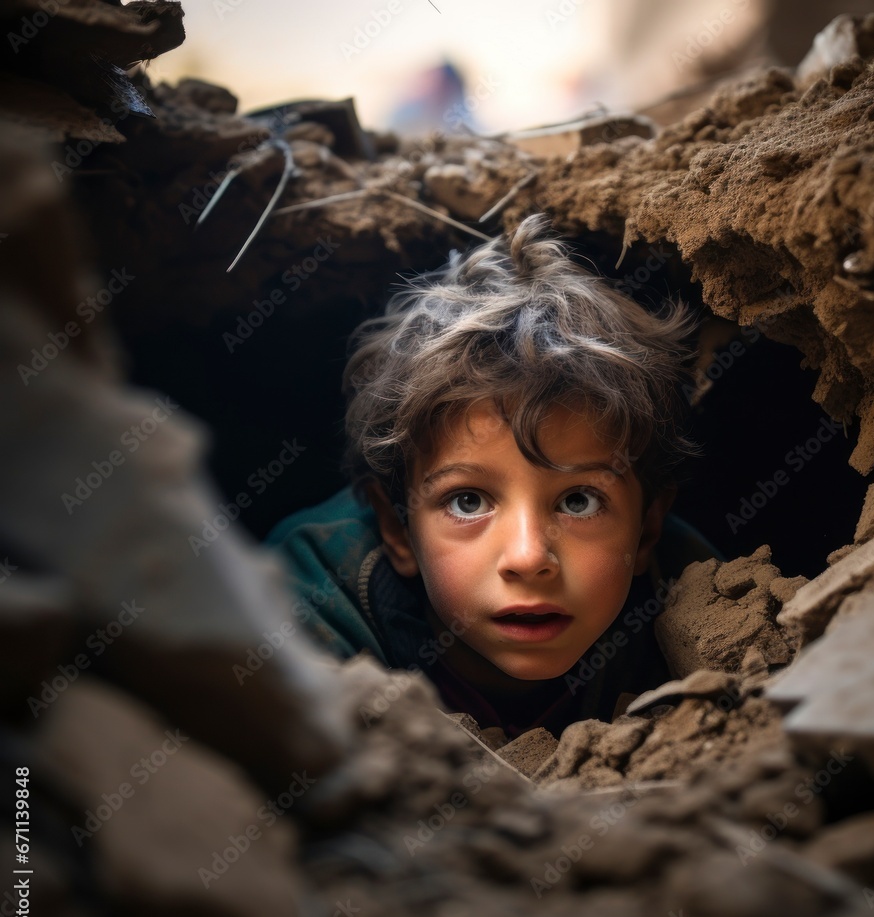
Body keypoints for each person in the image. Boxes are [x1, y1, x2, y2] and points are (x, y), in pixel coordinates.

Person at [267, 215, 719, 738]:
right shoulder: (310, 597)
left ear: (647, 529)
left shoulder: (703, 597)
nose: (528, 558)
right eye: (467, 502)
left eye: (578, 501)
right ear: (396, 528)